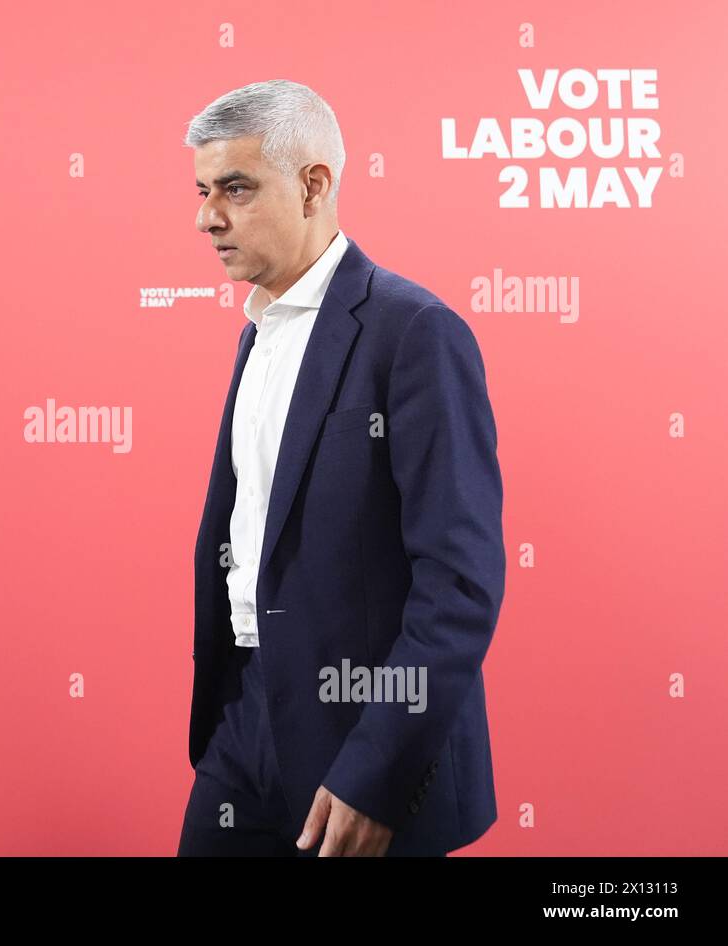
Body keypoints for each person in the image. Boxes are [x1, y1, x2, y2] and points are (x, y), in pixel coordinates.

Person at [178, 80, 506, 857]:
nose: (206, 216)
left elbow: (458, 584)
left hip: (361, 736)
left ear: (314, 185)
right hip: (246, 724)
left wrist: (378, 770)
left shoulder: (416, 332)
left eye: (235, 188)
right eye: (201, 191)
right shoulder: (257, 331)